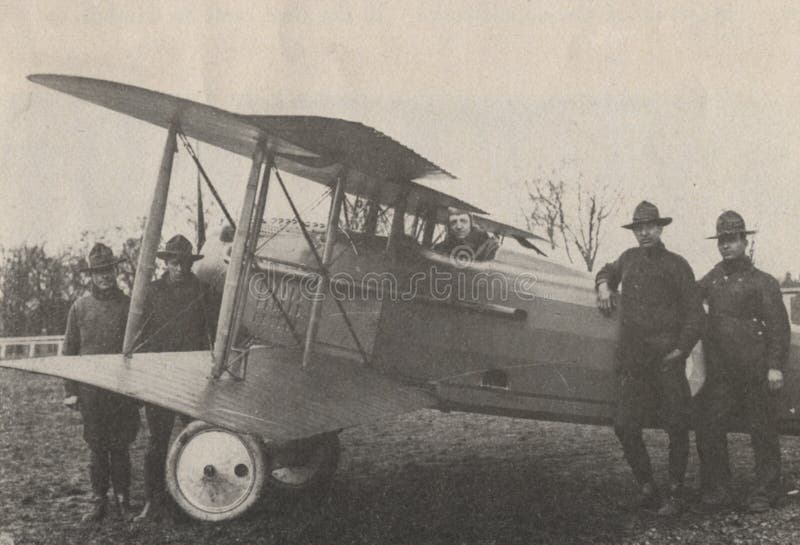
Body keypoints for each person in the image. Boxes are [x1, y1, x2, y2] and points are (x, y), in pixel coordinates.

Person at [595, 201, 704, 516]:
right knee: (624, 425)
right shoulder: (628, 259)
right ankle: (647, 488)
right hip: (634, 361)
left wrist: (680, 350)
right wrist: (603, 286)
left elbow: (695, 315)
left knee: (677, 426)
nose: (643, 233)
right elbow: (607, 270)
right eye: (638, 228)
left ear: (659, 229)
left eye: (649, 227)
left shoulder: (677, 265)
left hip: (667, 360)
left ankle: (675, 492)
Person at [694, 211, 791, 513]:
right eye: (721, 240)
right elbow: (688, 294)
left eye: (732, 239)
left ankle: (766, 491)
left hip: (755, 370)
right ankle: (718, 490)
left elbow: (779, 327)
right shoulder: (713, 278)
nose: (726, 245)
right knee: (708, 426)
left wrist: (774, 366)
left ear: (744, 242)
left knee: (762, 430)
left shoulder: (763, 282)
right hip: (721, 373)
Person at [134, 234, 216, 522]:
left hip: (193, 377)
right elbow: (141, 334)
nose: (179, 268)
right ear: (166, 263)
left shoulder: (204, 291)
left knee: (198, 436)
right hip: (161, 377)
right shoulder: (152, 292)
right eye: (174, 262)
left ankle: (199, 496)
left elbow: (213, 332)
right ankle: (153, 500)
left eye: (184, 263)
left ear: (190, 263)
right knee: (157, 441)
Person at [62, 243, 140, 523]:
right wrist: (71, 391)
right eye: (98, 272)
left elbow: (140, 349)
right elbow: (69, 351)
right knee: (97, 447)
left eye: (108, 270)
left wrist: (138, 389)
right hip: (92, 392)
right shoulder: (80, 307)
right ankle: (99, 501)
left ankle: (123, 500)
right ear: (91, 275)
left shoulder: (130, 306)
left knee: (120, 447)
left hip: (121, 390)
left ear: (115, 271)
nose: (105, 276)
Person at [433, 207, 499, 262]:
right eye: (454, 222)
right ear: (449, 226)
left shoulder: (485, 246)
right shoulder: (440, 248)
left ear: (471, 224)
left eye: (463, 221)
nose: (459, 226)